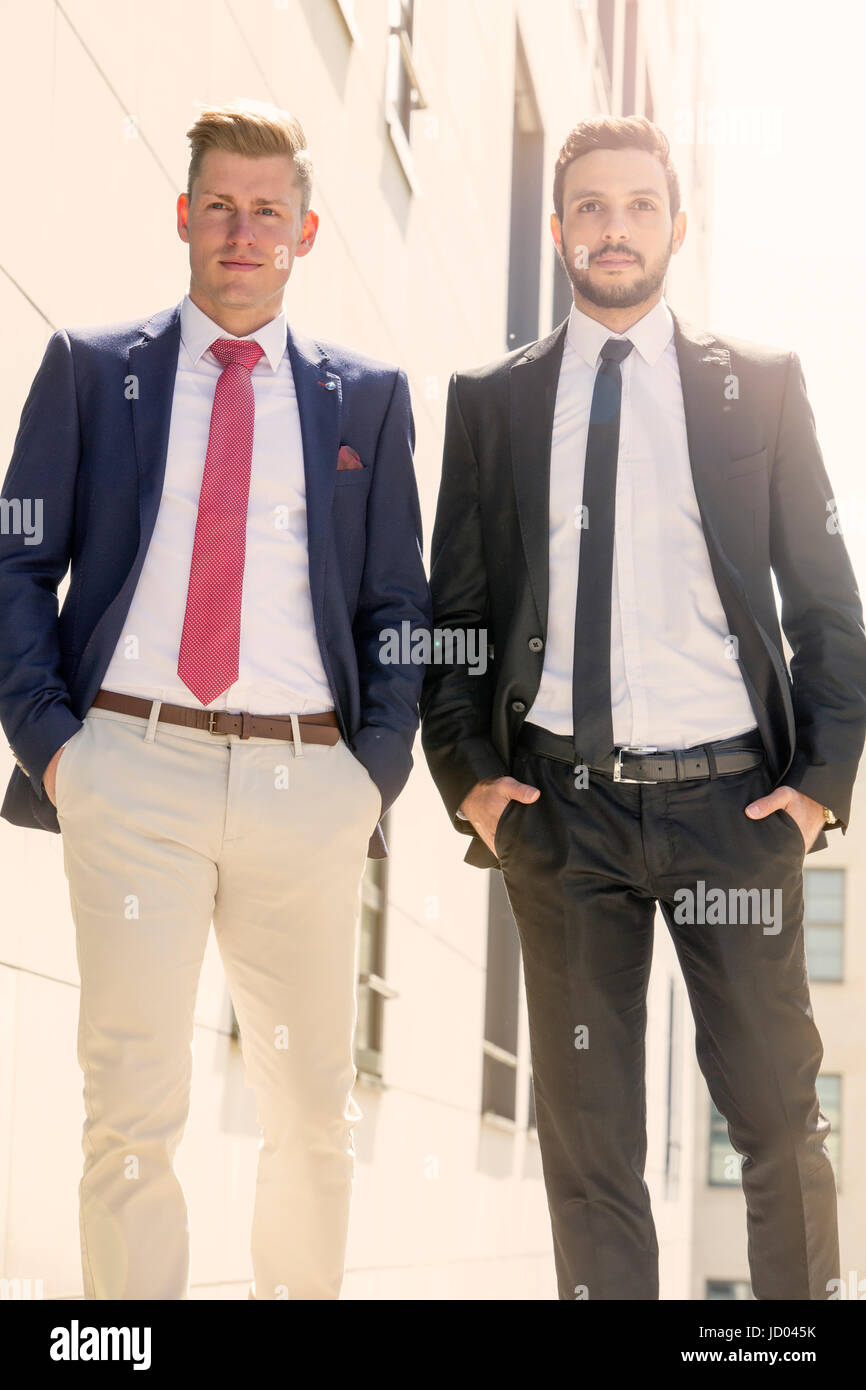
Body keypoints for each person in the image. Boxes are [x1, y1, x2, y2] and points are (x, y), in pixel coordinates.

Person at [420, 115, 866, 1300]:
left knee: (777, 1123)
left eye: (636, 205)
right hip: (560, 822)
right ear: (558, 225)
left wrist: (815, 793)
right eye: (588, 207)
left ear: (676, 222)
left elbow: (826, 605)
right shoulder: (492, 401)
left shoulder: (754, 390)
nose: (612, 228)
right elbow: (453, 617)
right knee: (589, 1151)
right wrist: (471, 784)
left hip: (733, 805)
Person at [0, 98, 431, 1301]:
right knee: (131, 1111)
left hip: (309, 788)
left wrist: (373, 776)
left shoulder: (366, 398)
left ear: (305, 231)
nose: (244, 233)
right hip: (130, 773)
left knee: (310, 1117)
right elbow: (17, 558)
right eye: (223, 209)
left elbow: (400, 601)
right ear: (184, 215)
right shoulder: (92, 373)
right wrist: (55, 747)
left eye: (269, 212)